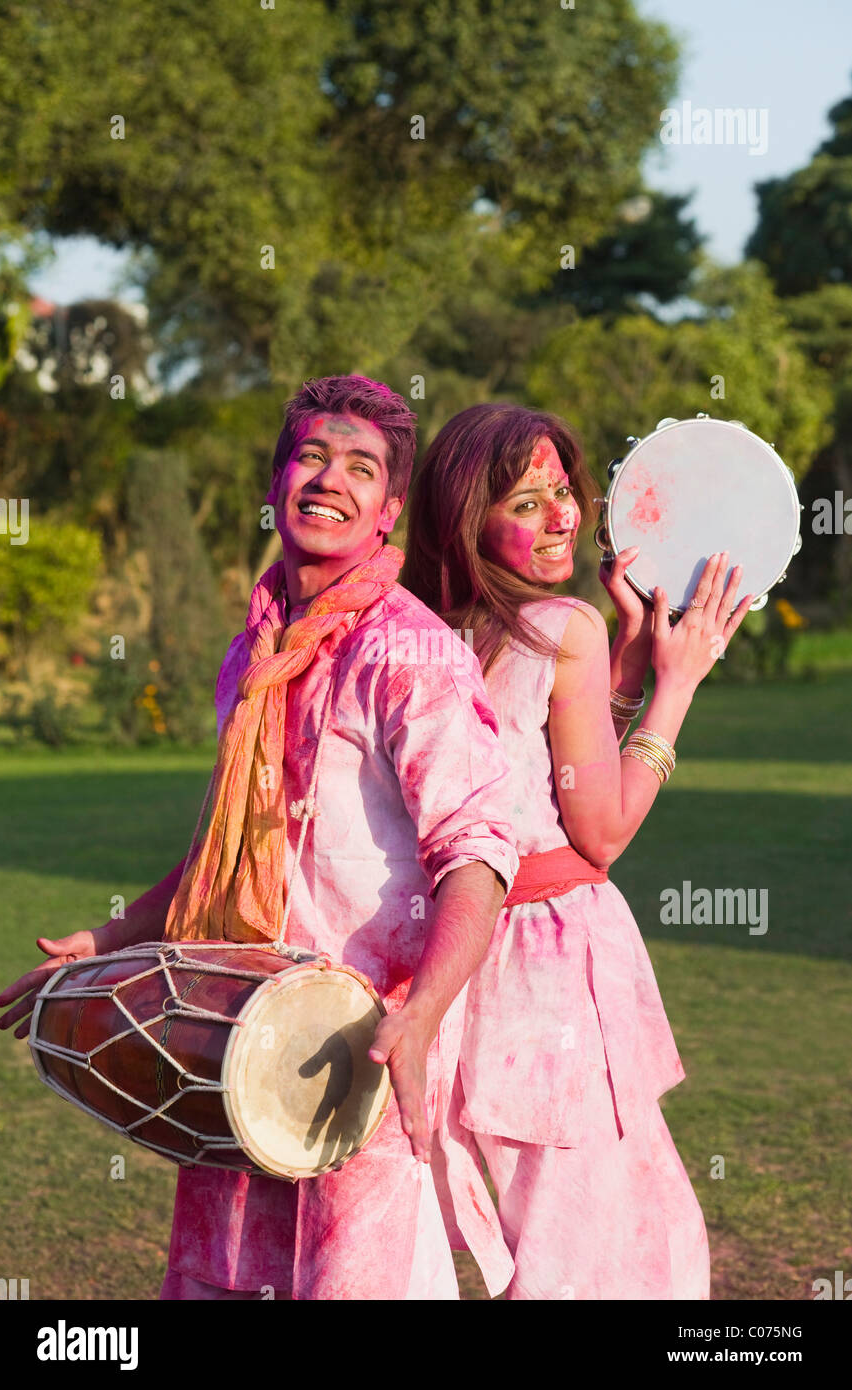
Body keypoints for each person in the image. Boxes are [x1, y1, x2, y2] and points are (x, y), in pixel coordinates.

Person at [0, 375, 520, 1301]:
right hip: (233, 1034)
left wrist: (421, 1014)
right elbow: (230, 850)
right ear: (277, 481)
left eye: (361, 468)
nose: (330, 480)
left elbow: (476, 858)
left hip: (363, 1043)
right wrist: (109, 940)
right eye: (311, 456)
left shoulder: (413, 651)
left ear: (389, 508)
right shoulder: (255, 649)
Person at [403, 402, 754, 1300]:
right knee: (622, 1255)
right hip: (551, 970)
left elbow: (527, 772)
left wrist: (622, 676)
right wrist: (675, 688)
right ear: (466, 520)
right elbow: (595, 834)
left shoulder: (424, 635)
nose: (563, 517)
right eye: (525, 503)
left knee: (550, 1239)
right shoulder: (564, 626)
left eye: (564, 492)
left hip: (463, 968)